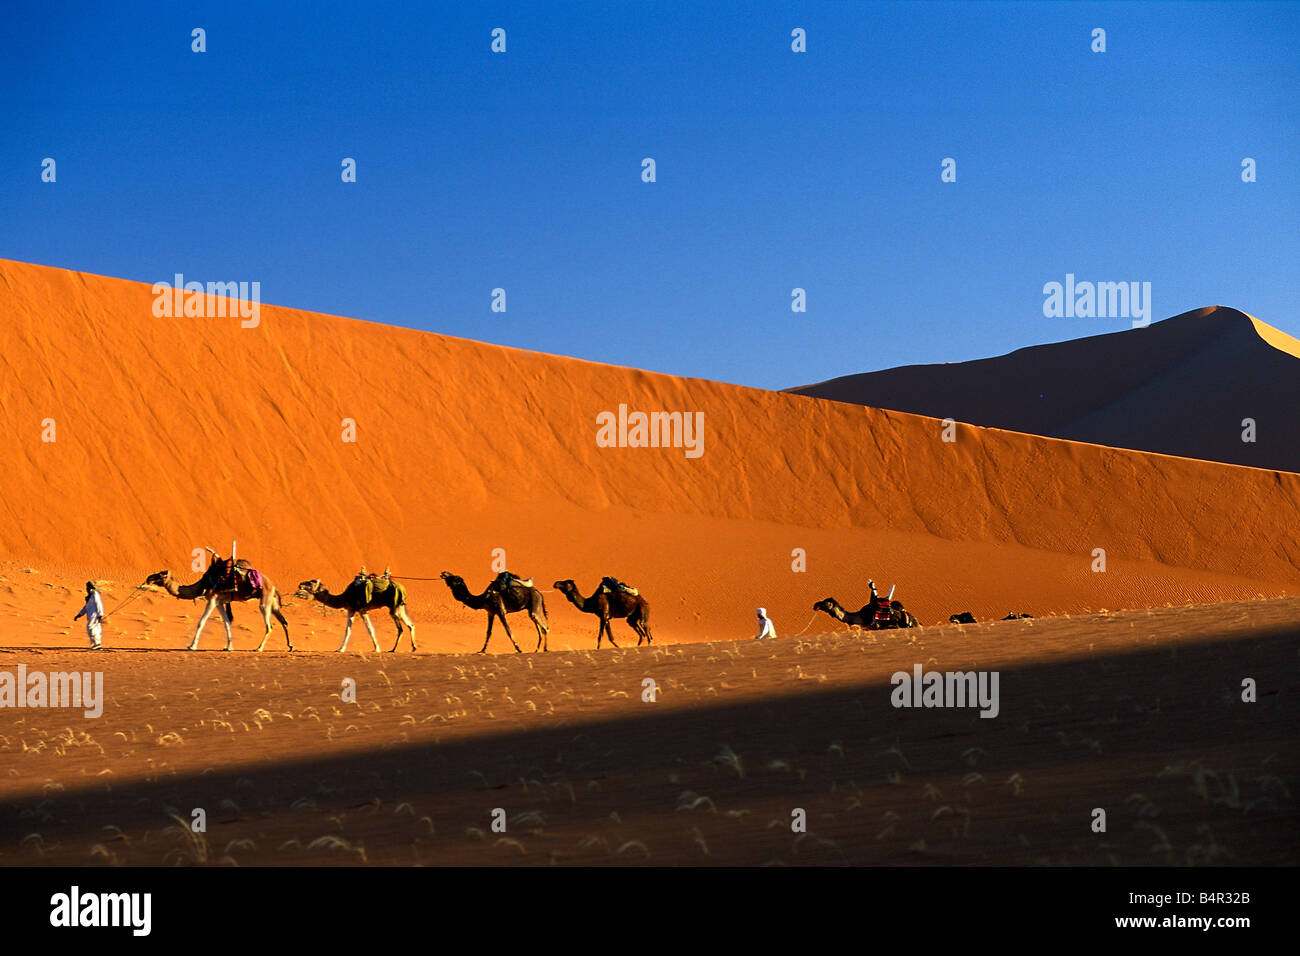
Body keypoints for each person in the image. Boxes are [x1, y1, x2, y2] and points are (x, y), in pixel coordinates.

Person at [73, 581, 106, 650]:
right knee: (90, 629)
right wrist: (79, 615)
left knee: (93, 629)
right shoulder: (90, 597)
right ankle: (95, 644)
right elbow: (86, 607)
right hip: (91, 616)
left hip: (95, 615)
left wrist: (100, 614)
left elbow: (98, 604)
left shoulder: (95, 594)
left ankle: (97, 644)